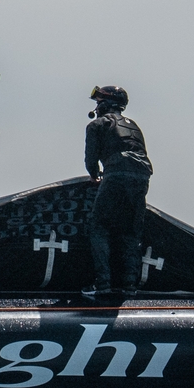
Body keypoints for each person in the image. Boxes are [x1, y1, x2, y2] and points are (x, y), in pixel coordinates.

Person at [83, 84, 154, 299]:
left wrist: (95, 176)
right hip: (142, 177)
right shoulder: (134, 126)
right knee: (131, 233)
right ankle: (129, 287)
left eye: (98, 102)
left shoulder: (97, 125)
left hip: (116, 174)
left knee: (99, 227)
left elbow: (91, 160)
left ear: (105, 104)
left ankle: (102, 285)